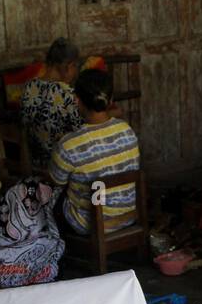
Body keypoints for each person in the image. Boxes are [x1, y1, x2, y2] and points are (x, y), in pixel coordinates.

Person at [50, 69, 140, 236]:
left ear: (77, 101)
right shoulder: (127, 130)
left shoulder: (68, 144)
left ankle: (59, 251)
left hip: (90, 225)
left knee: (53, 197)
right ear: (111, 100)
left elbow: (56, 182)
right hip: (129, 218)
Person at [21, 38, 84, 168]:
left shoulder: (29, 86)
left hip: (35, 163)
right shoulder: (65, 93)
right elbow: (81, 131)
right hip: (59, 166)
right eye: (75, 67)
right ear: (69, 66)